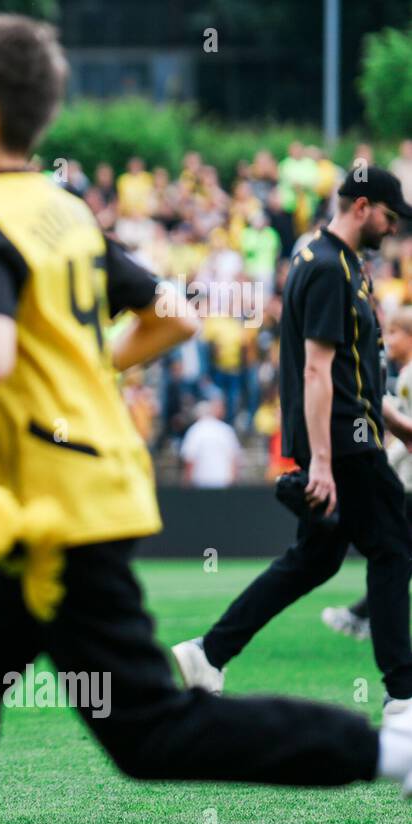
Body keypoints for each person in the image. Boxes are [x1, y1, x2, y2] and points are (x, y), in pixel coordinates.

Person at [0, 14, 412, 824]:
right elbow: (173, 316)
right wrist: (69, 370)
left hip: (56, 515)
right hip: (67, 502)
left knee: (144, 732)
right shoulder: (60, 211)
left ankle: (392, 752)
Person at [176, 166, 412, 710]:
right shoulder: (331, 267)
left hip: (341, 432)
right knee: (394, 544)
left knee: (315, 559)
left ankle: (209, 652)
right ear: (361, 206)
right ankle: (402, 692)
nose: (392, 228)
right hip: (343, 439)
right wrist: (324, 463)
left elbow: (352, 368)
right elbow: (316, 370)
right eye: (388, 215)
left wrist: (397, 426)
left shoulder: (322, 257)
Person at [322, 306, 412, 640]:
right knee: (399, 552)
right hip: (405, 480)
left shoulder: (409, 377)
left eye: (393, 333)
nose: (387, 341)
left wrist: (387, 455)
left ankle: (365, 615)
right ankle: (366, 613)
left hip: (408, 483)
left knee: (396, 552)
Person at [179, 394, 240, 488]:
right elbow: (235, 460)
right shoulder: (226, 430)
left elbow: (189, 460)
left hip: (201, 486)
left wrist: (187, 484)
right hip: (221, 486)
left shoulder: (195, 430)